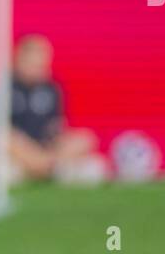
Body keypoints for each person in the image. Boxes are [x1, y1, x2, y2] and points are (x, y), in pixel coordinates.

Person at [8, 35, 106, 185]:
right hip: (22, 149)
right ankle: (48, 168)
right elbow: (2, 131)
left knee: (86, 138)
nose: (38, 66)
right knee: (4, 138)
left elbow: (56, 127)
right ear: (20, 60)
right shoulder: (6, 87)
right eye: (33, 62)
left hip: (47, 147)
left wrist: (57, 140)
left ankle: (41, 168)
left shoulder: (51, 89)